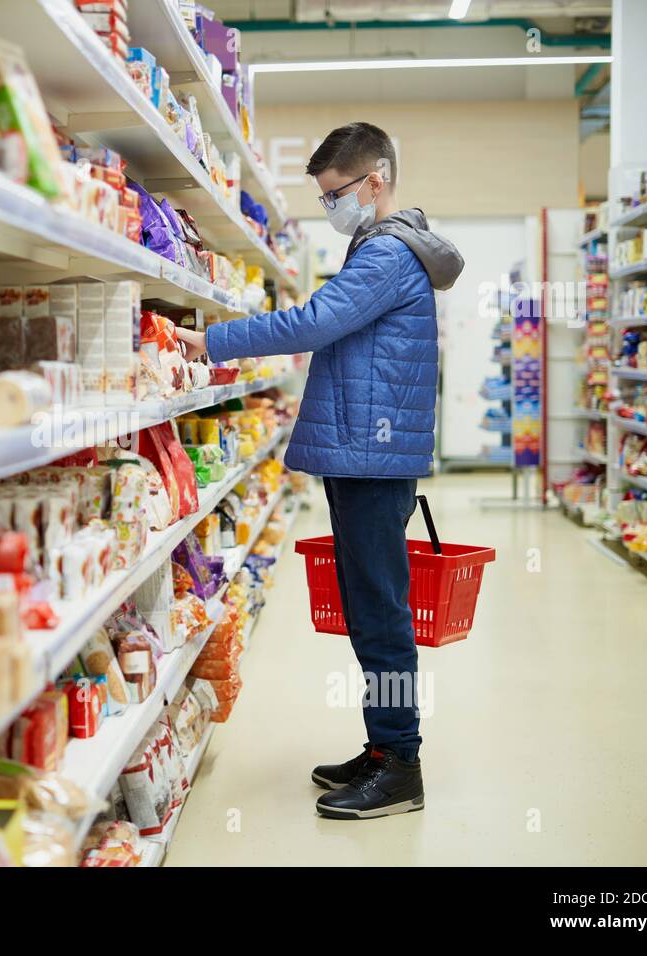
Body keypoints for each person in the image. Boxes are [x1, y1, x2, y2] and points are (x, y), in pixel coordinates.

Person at [174, 122, 463, 820]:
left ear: (376, 181)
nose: (333, 207)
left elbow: (309, 323)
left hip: (370, 456)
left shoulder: (387, 254)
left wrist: (211, 338)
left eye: (338, 193)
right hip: (365, 451)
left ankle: (401, 765)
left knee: (383, 613)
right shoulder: (384, 249)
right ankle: (382, 746)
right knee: (371, 610)